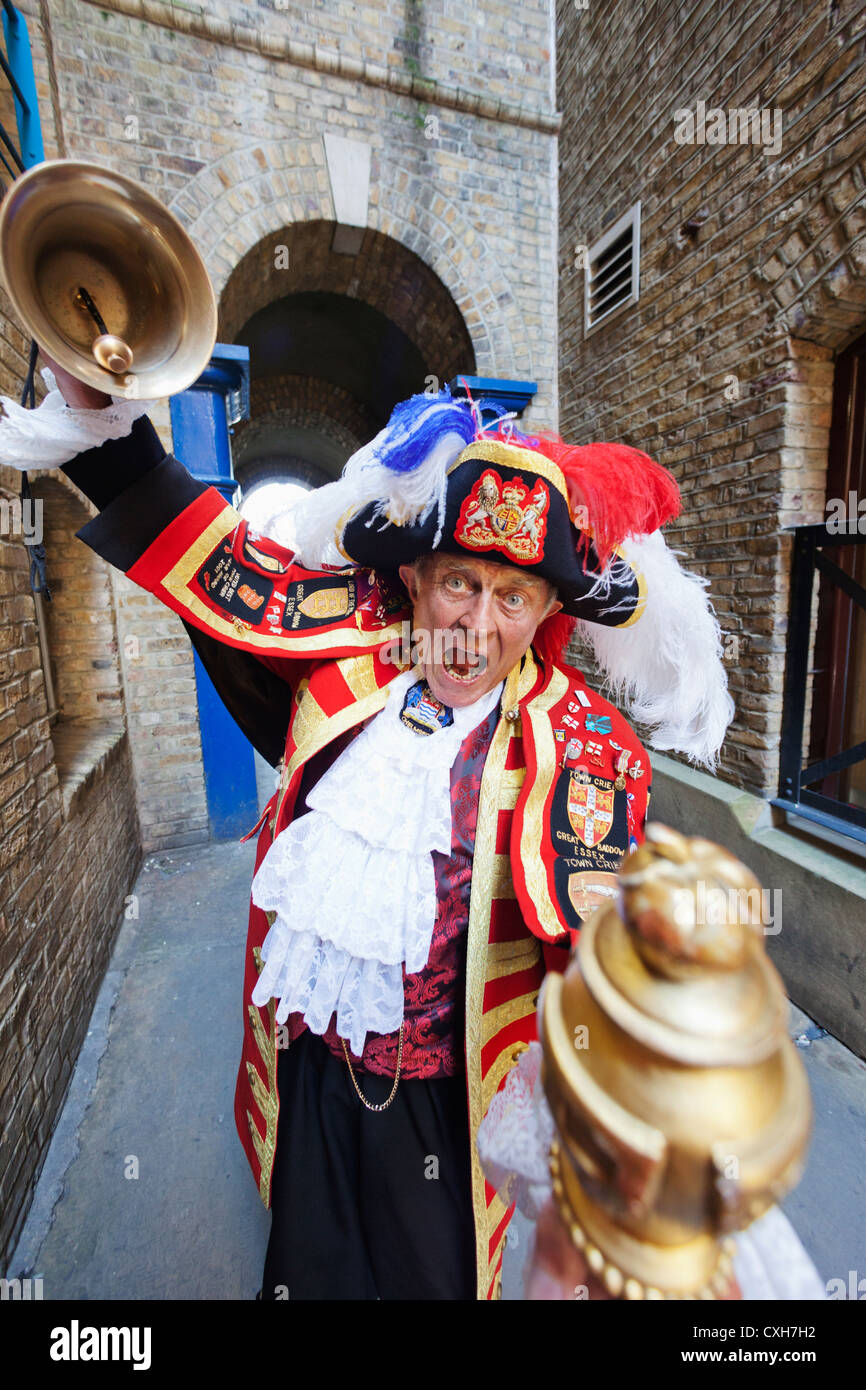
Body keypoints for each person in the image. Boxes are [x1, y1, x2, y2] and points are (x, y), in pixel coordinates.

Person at [1, 355, 734, 1299]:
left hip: (449, 1109)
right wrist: (101, 415)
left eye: (512, 596)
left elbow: (608, 970)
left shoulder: (585, 748)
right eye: (457, 583)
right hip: (307, 1068)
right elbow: (220, 568)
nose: (475, 621)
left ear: (548, 610)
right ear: (417, 579)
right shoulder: (343, 672)